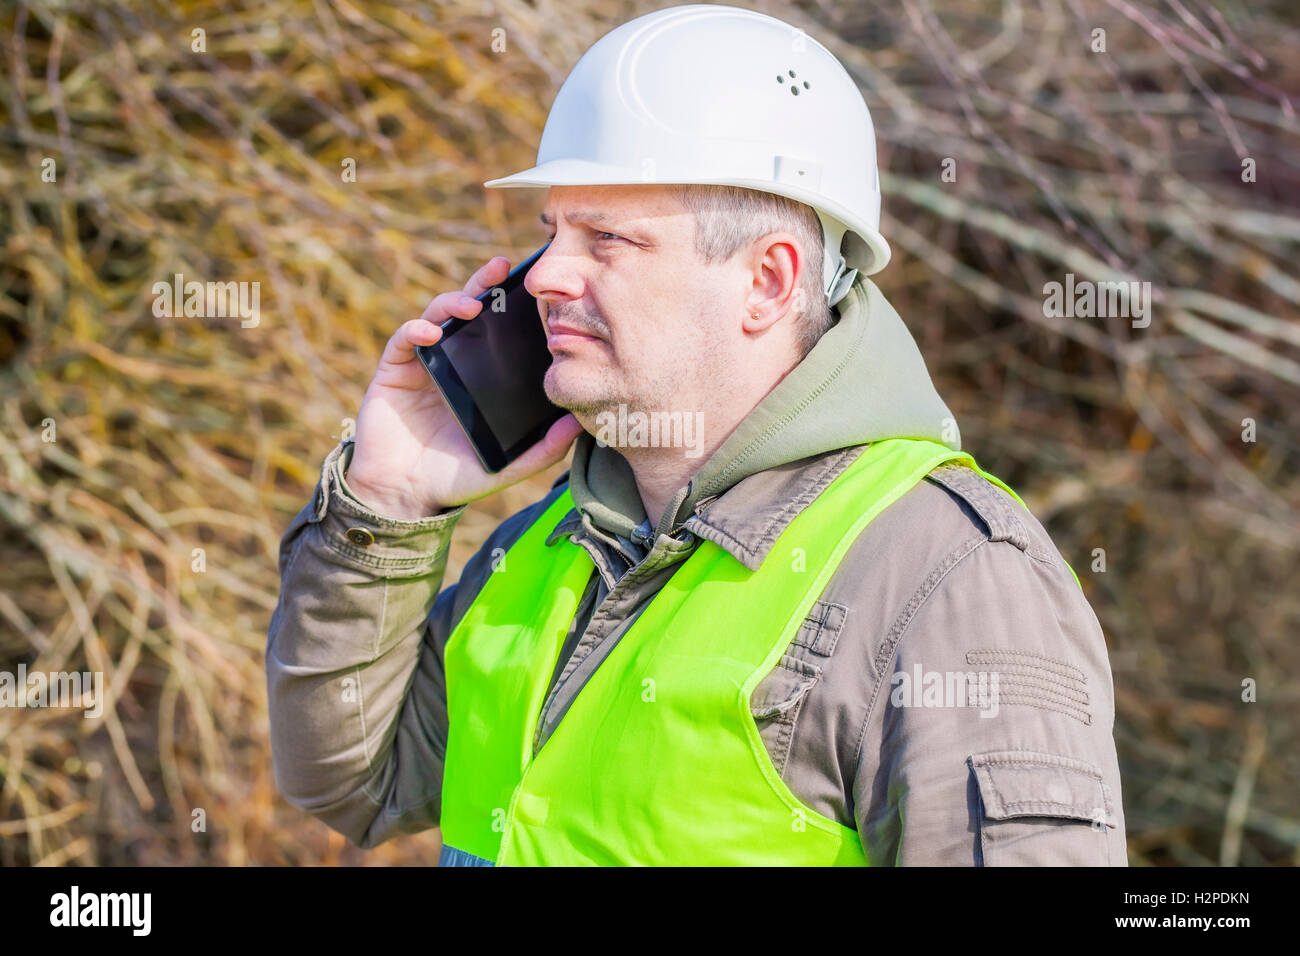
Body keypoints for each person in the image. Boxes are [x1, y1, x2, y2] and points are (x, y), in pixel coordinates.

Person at [266, 3, 1127, 865]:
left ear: (766, 282)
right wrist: (386, 504)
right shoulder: (549, 545)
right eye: (552, 233)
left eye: (606, 238)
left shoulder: (953, 578)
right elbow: (356, 783)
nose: (546, 276)